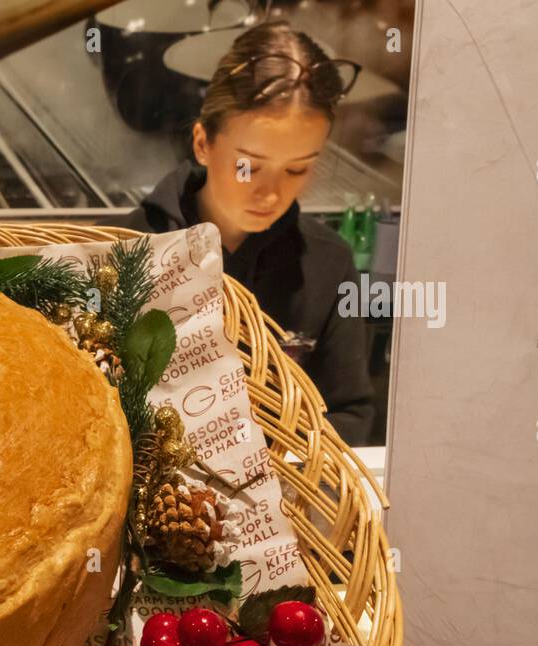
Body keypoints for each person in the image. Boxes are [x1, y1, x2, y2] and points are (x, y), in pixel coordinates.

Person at [110, 22, 375, 446]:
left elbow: (349, 412)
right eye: (248, 165)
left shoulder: (326, 264)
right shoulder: (121, 250)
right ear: (203, 143)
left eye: (298, 169)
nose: (270, 193)